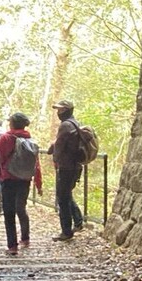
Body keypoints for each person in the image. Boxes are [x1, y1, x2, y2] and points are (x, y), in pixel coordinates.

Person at [0, 111, 43, 255]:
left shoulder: (6, 138)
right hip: (25, 179)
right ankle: (25, 238)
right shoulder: (31, 141)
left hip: (8, 178)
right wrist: (38, 183)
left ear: (12, 123)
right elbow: (36, 164)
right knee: (21, 208)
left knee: (9, 212)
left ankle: (12, 246)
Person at [47, 100, 85, 240]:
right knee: (66, 194)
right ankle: (78, 221)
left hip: (66, 167)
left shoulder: (65, 125)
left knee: (62, 198)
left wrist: (56, 159)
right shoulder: (76, 123)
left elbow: (60, 146)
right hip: (75, 166)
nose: (58, 113)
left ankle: (66, 231)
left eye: (60, 110)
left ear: (66, 111)